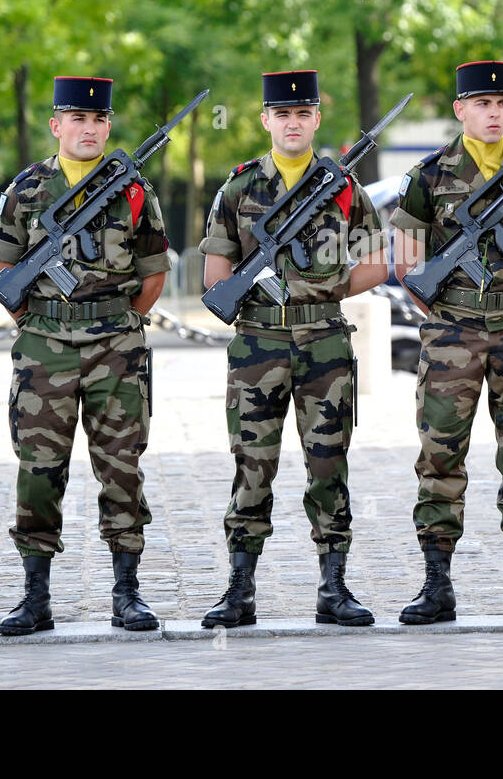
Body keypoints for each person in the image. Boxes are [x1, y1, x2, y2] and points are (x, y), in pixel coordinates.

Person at [199, 69, 388, 628]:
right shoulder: (238, 188)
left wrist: (322, 292)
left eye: (303, 114)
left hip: (325, 342)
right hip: (257, 342)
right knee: (251, 466)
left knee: (328, 463)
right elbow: (215, 276)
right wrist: (256, 286)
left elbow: (376, 263)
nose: (293, 123)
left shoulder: (344, 188)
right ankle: (240, 589)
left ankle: (333, 588)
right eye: (282, 114)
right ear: (266, 121)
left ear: (316, 120)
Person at [0, 76, 171, 635]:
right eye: (77, 119)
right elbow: (2, 276)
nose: (88, 129)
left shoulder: (133, 189)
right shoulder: (24, 191)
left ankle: (127, 592)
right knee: (39, 472)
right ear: (56, 125)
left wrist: (115, 322)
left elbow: (153, 274)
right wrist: (43, 324)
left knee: (121, 468)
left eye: (98, 120)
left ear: (108, 126)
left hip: (116, 347)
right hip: (44, 351)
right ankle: (35, 596)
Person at [391, 60, 503, 624]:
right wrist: (456, 313)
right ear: (460, 110)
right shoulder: (427, 176)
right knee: (440, 454)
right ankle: (436, 584)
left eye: (502, 103)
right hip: (451, 336)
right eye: (482, 104)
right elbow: (407, 265)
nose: (493, 113)